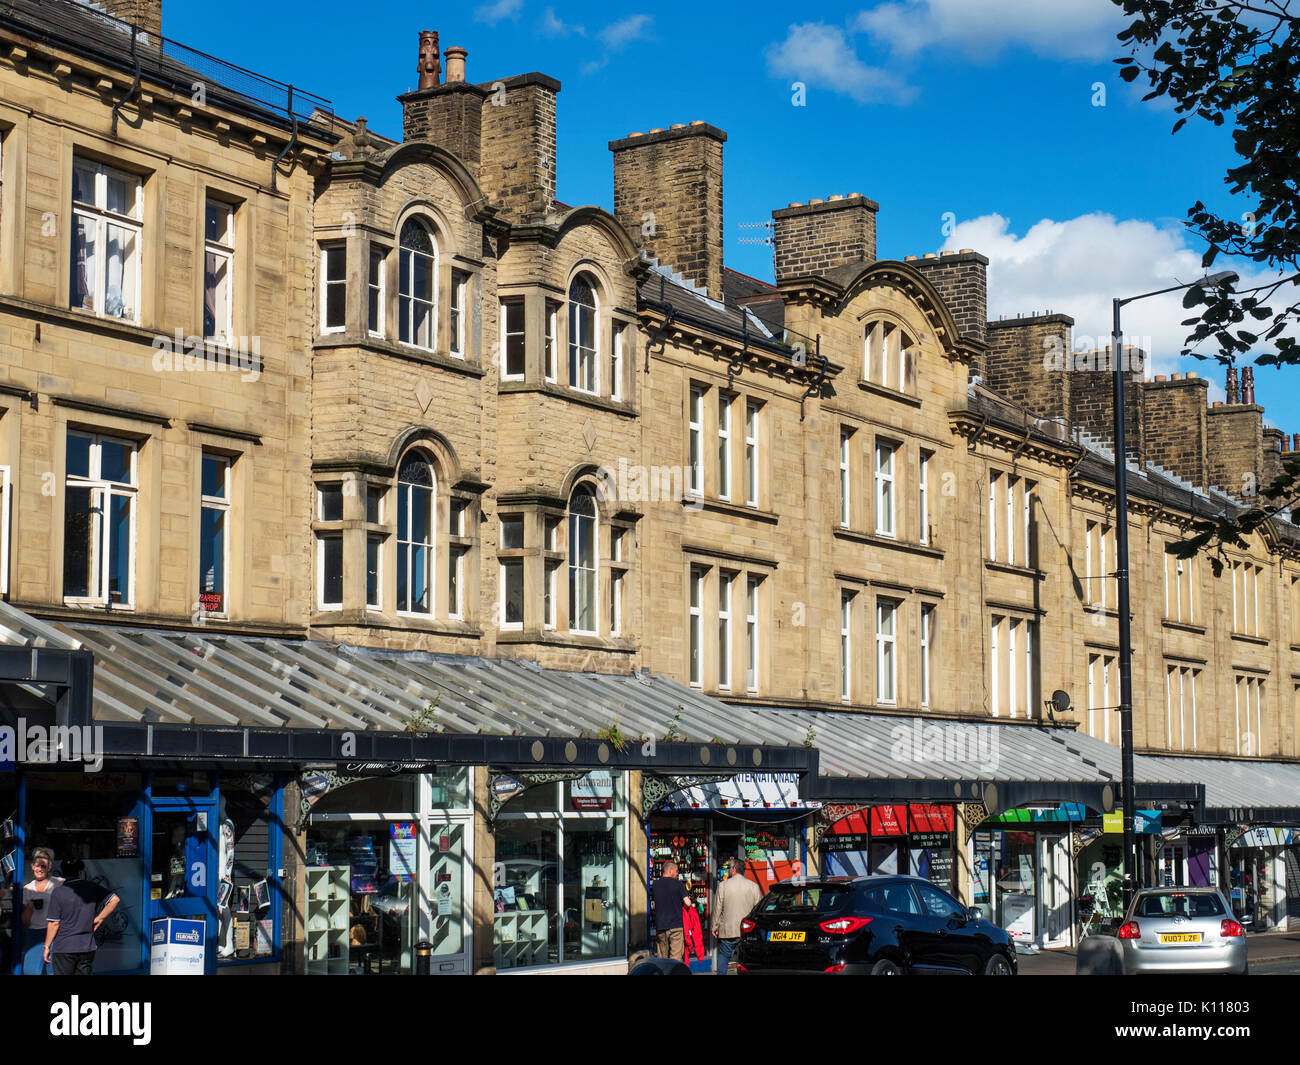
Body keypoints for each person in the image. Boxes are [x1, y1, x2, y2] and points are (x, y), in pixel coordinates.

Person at [43, 857, 120, 976]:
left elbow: (54, 923)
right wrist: (99, 918)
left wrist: (47, 946)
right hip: (86, 946)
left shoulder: (58, 892)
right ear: (80, 872)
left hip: (64, 947)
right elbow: (114, 899)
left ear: (63, 874)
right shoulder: (91, 887)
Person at [712, 858, 761, 975]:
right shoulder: (754, 886)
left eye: (730, 868)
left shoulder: (723, 885)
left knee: (724, 957)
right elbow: (756, 911)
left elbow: (717, 908)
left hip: (728, 929)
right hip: (747, 930)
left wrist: (715, 926)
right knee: (746, 960)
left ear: (734, 869)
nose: (729, 870)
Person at [21, 848, 64, 975]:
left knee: (54, 972)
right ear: (32, 867)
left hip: (56, 933)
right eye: (37, 865)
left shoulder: (59, 883)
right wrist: (29, 908)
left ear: (49, 868)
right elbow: (24, 921)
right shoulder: (27, 889)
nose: (40, 869)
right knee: (30, 971)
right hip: (35, 933)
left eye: (43, 866)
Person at [650, 861, 690, 962]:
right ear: (670, 870)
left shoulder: (655, 884)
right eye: (676, 871)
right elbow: (688, 903)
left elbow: (654, 903)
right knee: (675, 959)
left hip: (661, 926)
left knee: (662, 958)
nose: (677, 874)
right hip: (676, 926)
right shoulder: (678, 884)